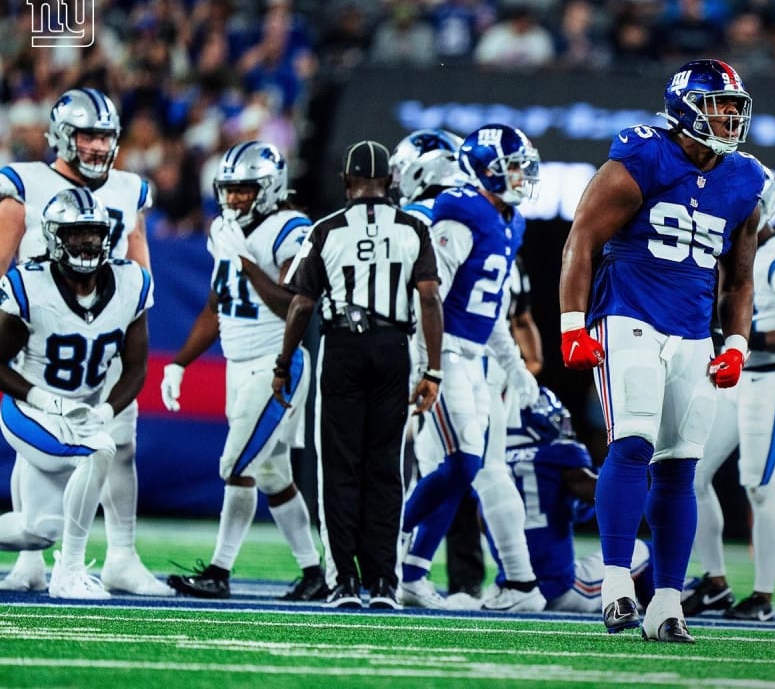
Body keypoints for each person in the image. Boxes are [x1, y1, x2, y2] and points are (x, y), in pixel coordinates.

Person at [559, 59, 765, 643]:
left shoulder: (746, 179)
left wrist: (738, 343)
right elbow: (582, 237)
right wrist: (574, 324)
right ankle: (619, 584)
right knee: (632, 444)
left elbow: (742, 277)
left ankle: (667, 602)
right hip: (629, 318)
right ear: (687, 107)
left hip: (695, 332)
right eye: (719, 105)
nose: (730, 117)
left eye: (734, 107)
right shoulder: (643, 155)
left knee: (680, 467)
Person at [0, 88, 169, 596]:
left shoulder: (126, 188)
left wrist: (132, 307)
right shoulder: (26, 181)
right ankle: (37, 561)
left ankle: (120, 555)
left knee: (119, 445)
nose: (97, 146)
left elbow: (138, 255)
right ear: (60, 136)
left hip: (102, 326)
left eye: (105, 136)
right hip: (39, 328)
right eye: (87, 134)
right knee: (52, 454)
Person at [273, 140, 444, 610]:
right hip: (393, 349)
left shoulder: (326, 229)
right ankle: (384, 583)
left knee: (341, 470)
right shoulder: (413, 227)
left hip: (343, 348)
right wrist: (434, 368)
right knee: (387, 470)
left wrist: (283, 362)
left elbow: (301, 303)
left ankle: (344, 580)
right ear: (389, 182)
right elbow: (429, 299)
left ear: (346, 181)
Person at [160, 141, 328, 601]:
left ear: (271, 188)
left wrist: (246, 260)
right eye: (229, 191)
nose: (234, 200)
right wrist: (180, 362)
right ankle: (314, 573)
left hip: (278, 364)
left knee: (236, 464)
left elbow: (294, 304)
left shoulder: (290, 228)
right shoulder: (224, 231)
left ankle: (218, 571)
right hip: (239, 366)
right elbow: (216, 307)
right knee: (272, 474)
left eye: (244, 190)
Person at [397, 124, 543, 612]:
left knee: (459, 471)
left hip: (476, 359)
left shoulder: (508, 221)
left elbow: (493, 309)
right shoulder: (460, 213)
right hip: (445, 357)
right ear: (485, 170)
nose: (522, 177)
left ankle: (412, 573)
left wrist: (515, 364)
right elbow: (430, 295)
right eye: (513, 167)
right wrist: (428, 364)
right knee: (462, 464)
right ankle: (383, 543)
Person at [683, 165, 775, 622]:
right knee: (692, 475)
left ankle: (763, 596)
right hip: (734, 378)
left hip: (769, 379)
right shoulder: (726, 248)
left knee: (759, 488)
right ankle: (716, 583)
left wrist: (737, 339)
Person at [392, 129, 487, 599]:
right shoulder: (477, 214)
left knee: (443, 466)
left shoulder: (424, 217)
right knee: (448, 466)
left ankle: (403, 569)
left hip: (422, 347)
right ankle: (399, 566)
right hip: (453, 351)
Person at [506, 387, 654, 612]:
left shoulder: (496, 462)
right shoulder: (561, 454)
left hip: (516, 587)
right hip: (561, 587)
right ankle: (662, 606)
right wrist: (623, 467)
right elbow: (604, 494)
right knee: (647, 550)